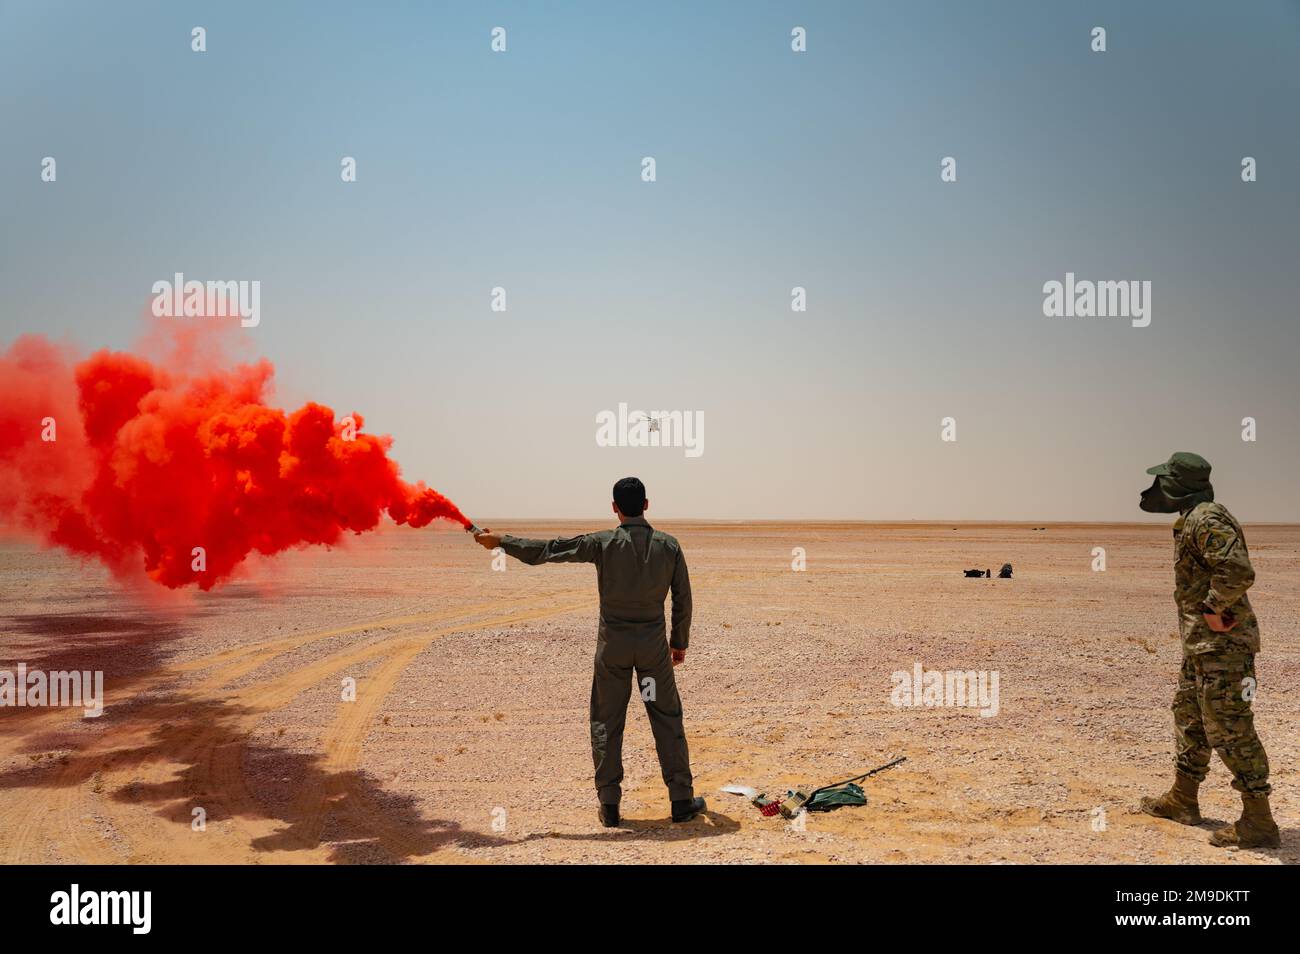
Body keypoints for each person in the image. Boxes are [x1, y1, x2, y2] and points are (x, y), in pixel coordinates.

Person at [472, 477, 705, 827]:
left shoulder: (602, 543)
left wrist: (501, 542)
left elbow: (548, 550)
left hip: (613, 653)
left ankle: (610, 805)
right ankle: (681, 800)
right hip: (652, 656)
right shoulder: (668, 546)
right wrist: (679, 642)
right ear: (646, 505)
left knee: (608, 721)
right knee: (663, 717)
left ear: (614, 507)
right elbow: (682, 598)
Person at [1137, 452, 1279, 848]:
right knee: (1190, 715)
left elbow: (1238, 571)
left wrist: (1212, 609)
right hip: (1203, 644)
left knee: (1230, 726)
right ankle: (1183, 799)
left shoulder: (1206, 518)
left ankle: (1259, 820)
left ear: (1179, 485)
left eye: (1164, 480)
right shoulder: (1193, 518)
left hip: (1223, 645)